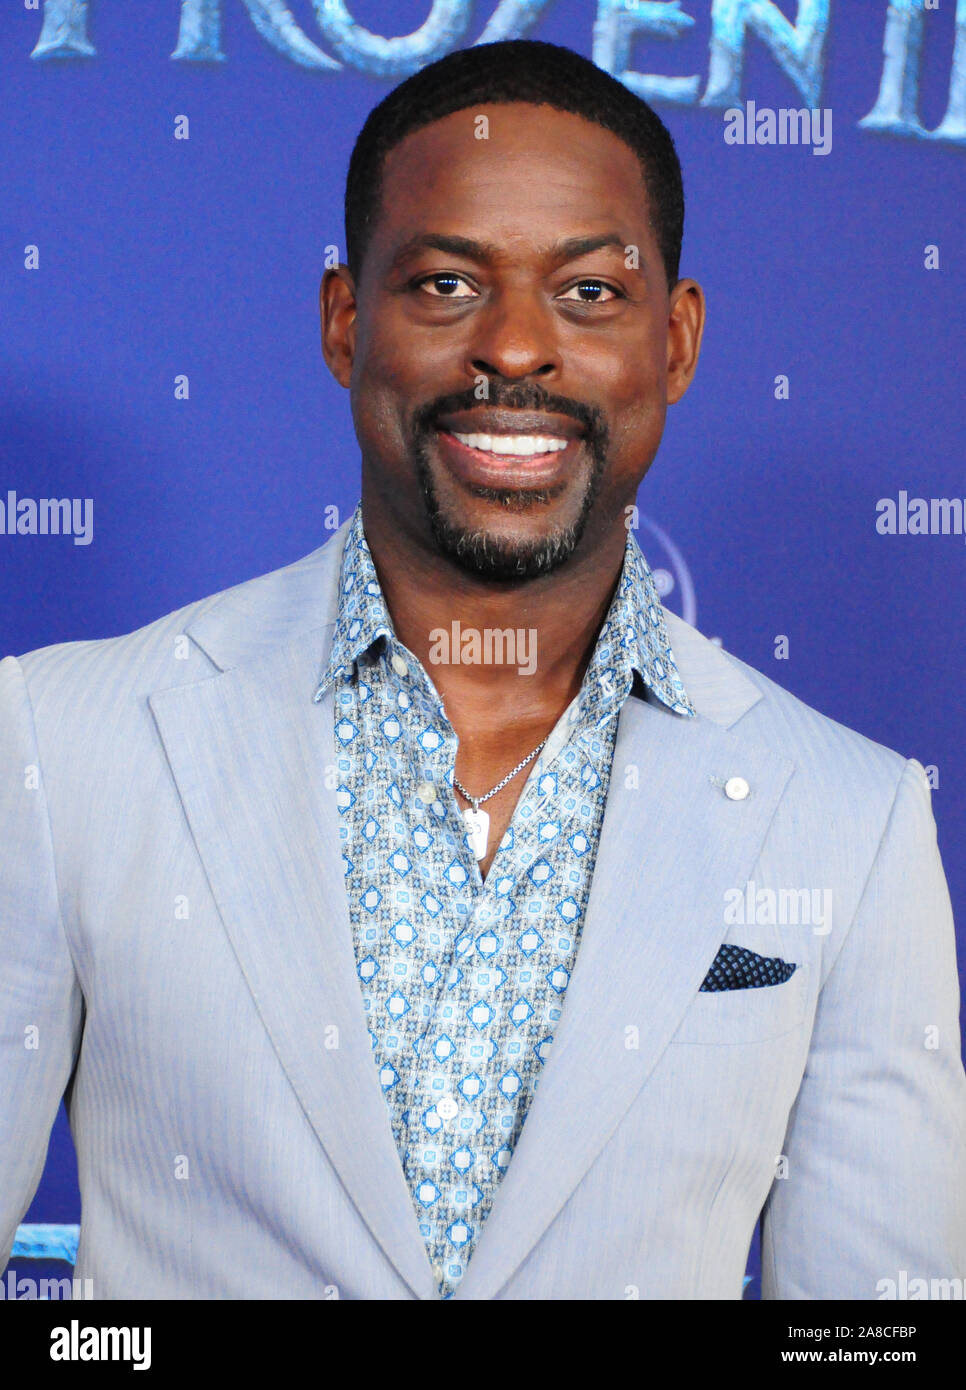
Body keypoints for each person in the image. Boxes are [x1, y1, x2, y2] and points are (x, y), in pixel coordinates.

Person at [1, 39, 964, 1302]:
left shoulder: (849, 817)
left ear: (675, 342)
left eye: (589, 295)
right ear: (348, 321)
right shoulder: (62, 745)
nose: (515, 348)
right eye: (449, 283)